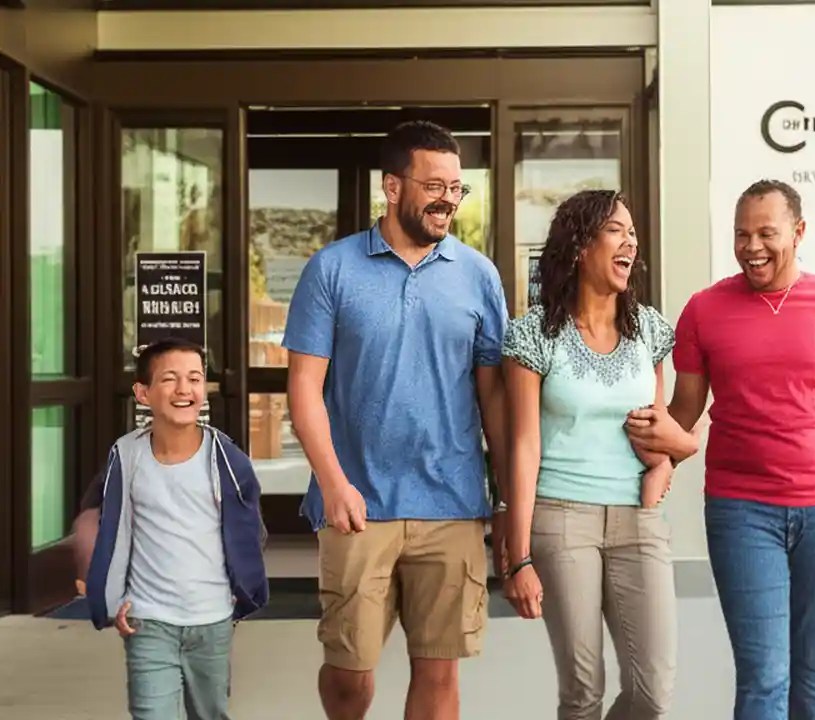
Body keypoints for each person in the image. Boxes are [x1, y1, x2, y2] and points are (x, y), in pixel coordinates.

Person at [625, 179, 815, 719]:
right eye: (741, 234)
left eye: (767, 233)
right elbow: (685, 412)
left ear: (798, 232)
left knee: (811, 670)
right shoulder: (704, 310)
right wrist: (647, 444)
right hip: (741, 511)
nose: (753, 247)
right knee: (764, 676)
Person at [283, 119, 509, 720]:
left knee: (439, 674)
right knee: (350, 674)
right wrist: (333, 483)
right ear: (391, 186)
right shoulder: (331, 270)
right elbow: (303, 387)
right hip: (358, 505)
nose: (448, 200)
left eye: (457, 188)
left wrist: (507, 501)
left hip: (453, 502)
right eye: (434, 185)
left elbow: (494, 400)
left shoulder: (479, 276)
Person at [503, 189, 699, 720]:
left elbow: (659, 426)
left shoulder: (649, 330)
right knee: (583, 692)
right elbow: (523, 447)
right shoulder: (533, 336)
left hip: (639, 521)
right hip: (562, 519)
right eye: (617, 230)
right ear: (579, 245)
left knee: (653, 691)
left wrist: (664, 463)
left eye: (632, 233)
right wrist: (517, 555)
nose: (630, 242)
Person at [84, 337, 269, 720]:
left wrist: (242, 585)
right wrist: (109, 593)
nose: (184, 389)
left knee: (210, 713)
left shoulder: (226, 458)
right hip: (148, 618)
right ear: (143, 393)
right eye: (170, 379)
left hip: (212, 618)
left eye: (195, 378)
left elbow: (251, 530)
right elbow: (104, 522)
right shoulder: (126, 455)